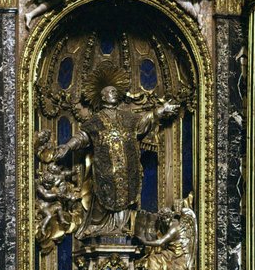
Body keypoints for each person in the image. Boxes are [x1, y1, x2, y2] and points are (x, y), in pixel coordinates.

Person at [54, 77, 178, 238]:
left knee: (125, 196)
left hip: (126, 169)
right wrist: (67, 146)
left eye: (114, 91)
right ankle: (97, 226)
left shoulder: (128, 117)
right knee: (102, 195)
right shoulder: (96, 120)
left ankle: (123, 226)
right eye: (109, 91)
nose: (113, 93)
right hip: (105, 169)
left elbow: (144, 121)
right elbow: (83, 136)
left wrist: (160, 111)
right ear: (103, 97)